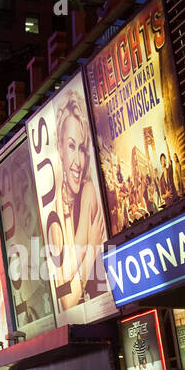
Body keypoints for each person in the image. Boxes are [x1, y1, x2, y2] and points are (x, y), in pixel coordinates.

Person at [51, 91, 107, 309]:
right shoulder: (58, 207)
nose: (77, 160)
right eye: (71, 146)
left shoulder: (89, 192)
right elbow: (66, 298)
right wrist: (91, 247)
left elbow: (69, 299)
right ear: (60, 149)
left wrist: (90, 251)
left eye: (82, 148)